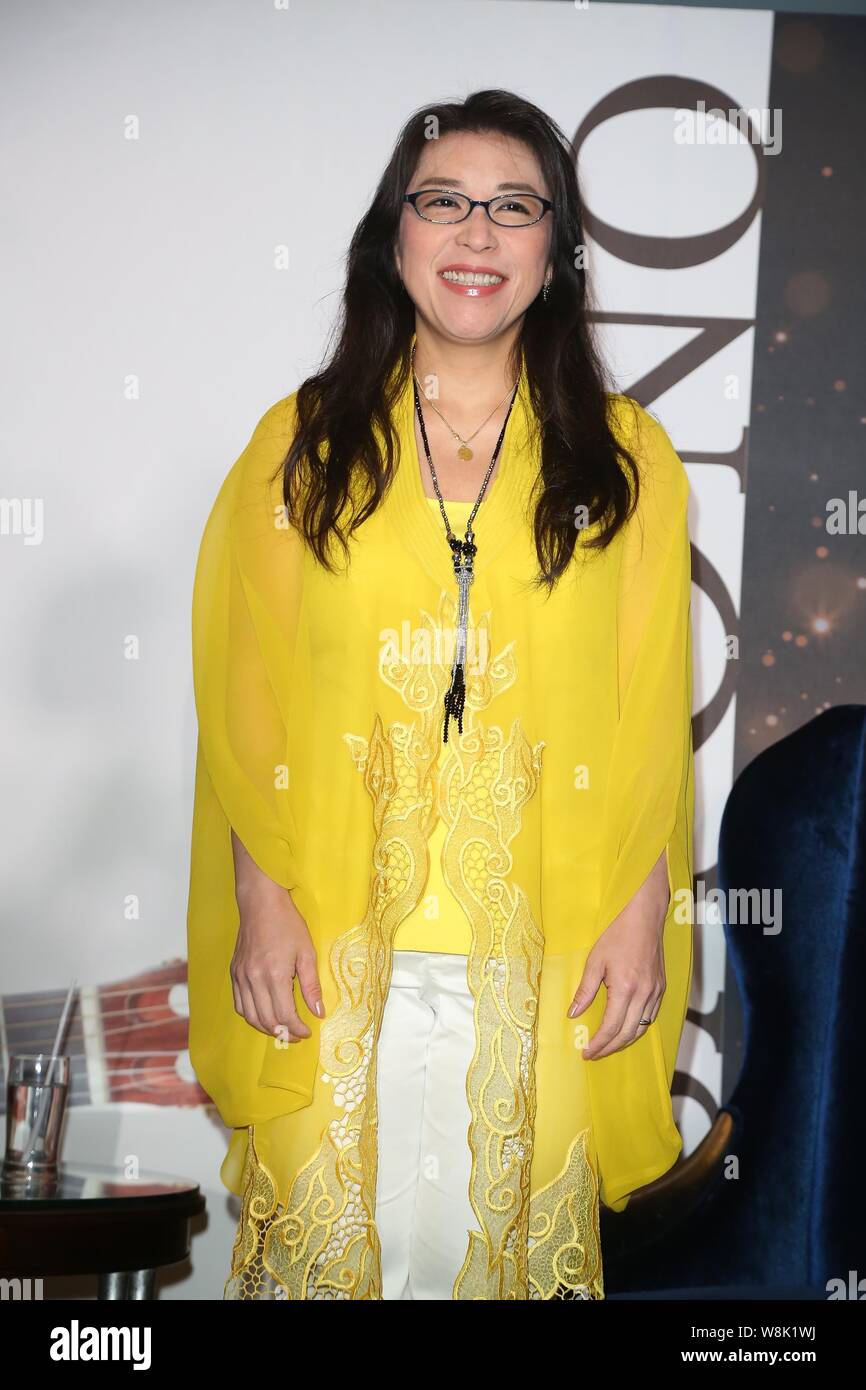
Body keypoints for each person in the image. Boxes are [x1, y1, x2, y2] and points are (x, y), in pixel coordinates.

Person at [186, 88, 694, 1301]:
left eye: (512, 207)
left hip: (546, 944)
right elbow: (243, 686)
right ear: (394, 235)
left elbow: (644, 707)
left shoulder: (628, 458)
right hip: (331, 935)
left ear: (553, 250)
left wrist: (639, 905)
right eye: (443, 203)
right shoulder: (297, 443)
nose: (476, 235)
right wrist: (261, 895)